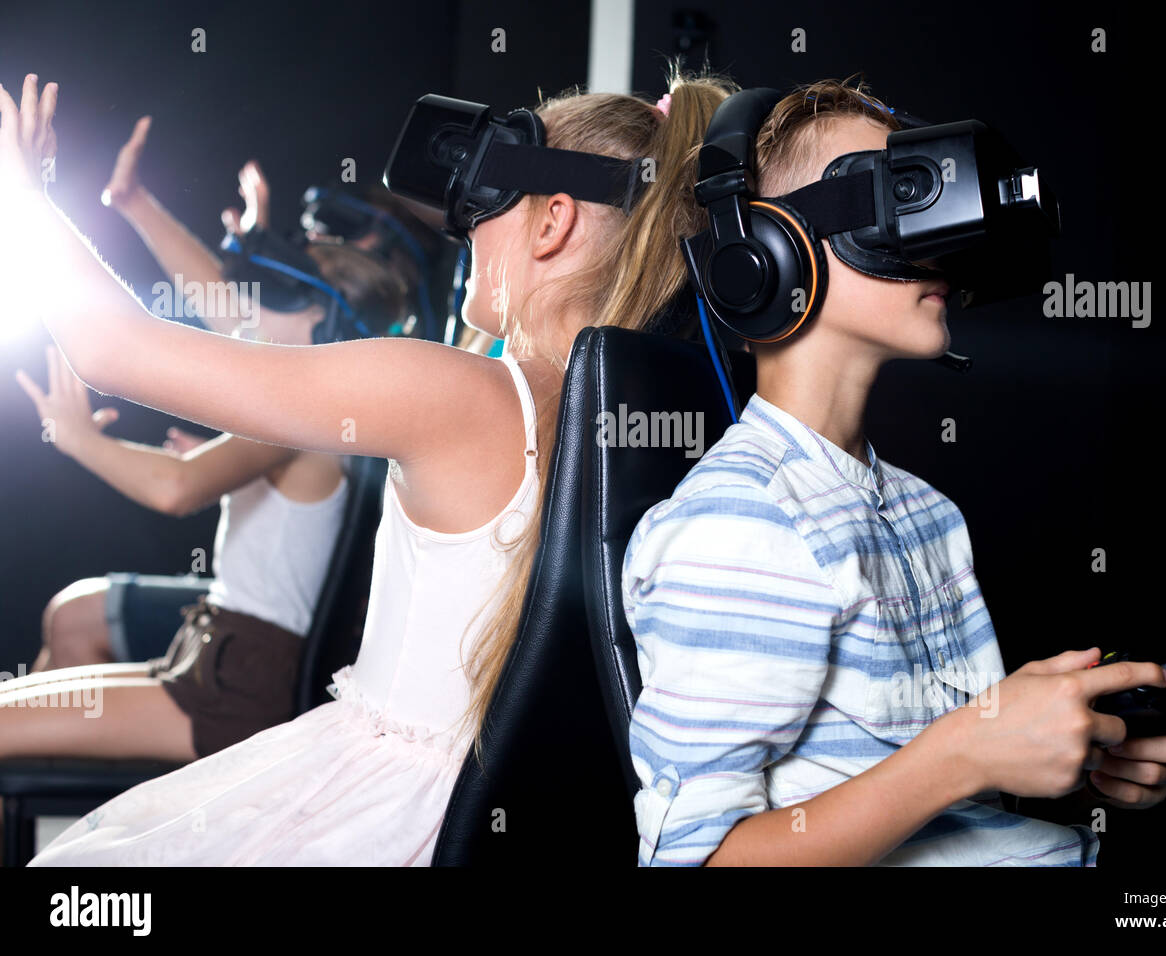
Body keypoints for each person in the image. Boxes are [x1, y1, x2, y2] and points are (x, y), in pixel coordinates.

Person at [0, 68, 731, 864]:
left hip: (381, 813)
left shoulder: (460, 393)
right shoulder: (642, 416)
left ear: (553, 222)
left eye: (485, 207)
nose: (466, 233)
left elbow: (114, 349)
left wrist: (23, 196)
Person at [620, 79, 1166, 866]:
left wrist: (1067, 755)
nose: (933, 243)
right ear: (762, 256)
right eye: (890, 201)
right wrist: (966, 751)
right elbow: (698, 859)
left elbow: (917, 795)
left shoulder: (926, 511)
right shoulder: (741, 523)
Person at [4, 127, 410, 764]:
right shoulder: (311, 397)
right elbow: (221, 303)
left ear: (320, 323)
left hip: (238, 686)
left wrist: (79, 439)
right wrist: (132, 200)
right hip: (218, 654)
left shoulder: (300, 412)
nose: (240, 308)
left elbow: (175, 488)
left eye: (269, 297)